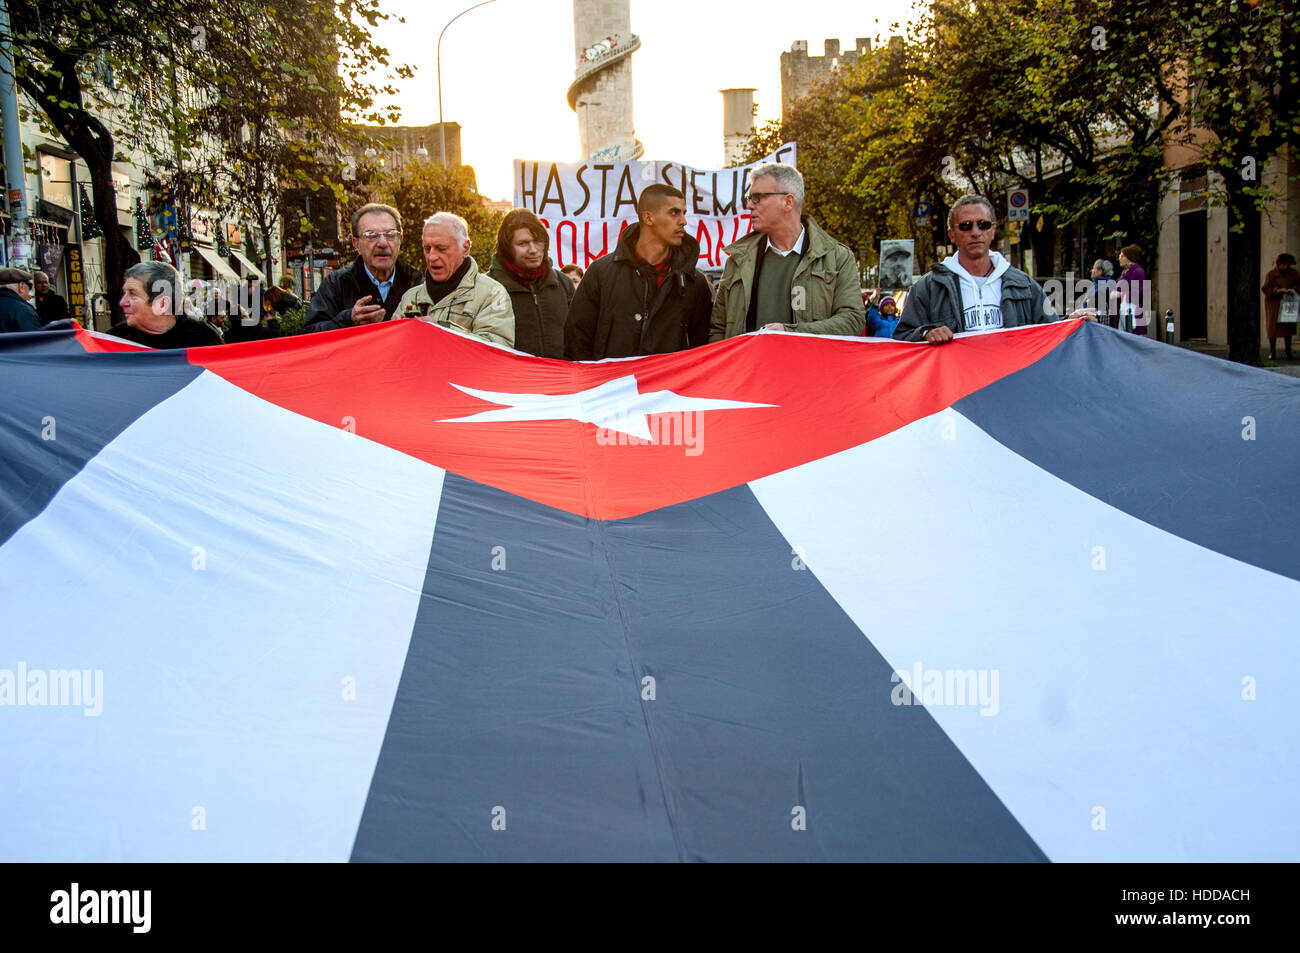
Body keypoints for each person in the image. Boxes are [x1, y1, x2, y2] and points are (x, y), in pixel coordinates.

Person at [710, 163, 864, 341]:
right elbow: (717, 330)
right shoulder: (737, 261)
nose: (749, 205)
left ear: (788, 202)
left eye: (757, 197)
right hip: (748, 369)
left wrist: (789, 332)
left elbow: (853, 321)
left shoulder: (837, 257)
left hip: (810, 368)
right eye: (750, 198)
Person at [564, 184, 712, 360]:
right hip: (610, 385)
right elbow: (576, 341)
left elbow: (701, 351)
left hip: (666, 386)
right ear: (648, 218)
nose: (683, 221)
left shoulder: (694, 282)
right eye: (674, 213)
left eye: (683, 213)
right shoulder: (601, 272)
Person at [894, 195, 1058, 344]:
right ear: (951, 234)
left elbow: (1052, 333)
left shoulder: (1024, 285)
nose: (975, 232)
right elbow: (902, 338)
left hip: (1011, 377)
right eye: (966, 226)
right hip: (957, 377)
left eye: (983, 225)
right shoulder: (928, 288)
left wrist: (1075, 323)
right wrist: (925, 333)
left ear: (993, 231)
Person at [393, 212, 514, 346]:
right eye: (427, 248)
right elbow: (393, 353)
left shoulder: (492, 294)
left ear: (466, 248)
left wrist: (442, 330)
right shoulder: (410, 297)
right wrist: (396, 331)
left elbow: (498, 350)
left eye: (441, 248)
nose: (432, 257)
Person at [303, 203, 420, 333]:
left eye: (390, 234)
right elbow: (309, 335)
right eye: (371, 235)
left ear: (400, 240)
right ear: (356, 244)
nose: (382, 243)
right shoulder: (337, 283)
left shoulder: (416, 283)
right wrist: (348, 319)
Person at [487, 209, 572, 358]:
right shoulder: (489, 288)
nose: (533, 250)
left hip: (561, 378)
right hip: (513, 378)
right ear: (507, 248)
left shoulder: (563, 284)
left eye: (538, 241)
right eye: (523, 244)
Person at [108, 261, 222, 349]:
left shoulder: (204, 340)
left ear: (162, 304)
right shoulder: (113, 342)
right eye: (125, 293)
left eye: (132, 294)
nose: (122, 303)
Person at [1262, 253, 1299, 360]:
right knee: (1273, 329)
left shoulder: (1294, 274)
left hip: (1288, 303)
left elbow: (1299, 285)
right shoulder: (1271, 274)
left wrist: (1294, 289)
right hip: (1275, 304)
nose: (1286, 267)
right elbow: (1265, 288)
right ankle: (1272, 351)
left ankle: (1288, 351)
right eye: (1284, 265)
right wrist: (1277, 291)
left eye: (1288, 265)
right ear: (1279, 264)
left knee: (1288, 328)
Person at [1112, 244, 1148, 335]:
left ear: (1129, 258)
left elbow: (1139, 292)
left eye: (1122, 256)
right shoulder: (1125, 272)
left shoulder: (1137, 272)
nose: (1119, 258)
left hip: (1133, 315)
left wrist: (1120, 295)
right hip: (1123, 313)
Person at [0, 267, 41, 333]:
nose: (28, 293)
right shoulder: (23, 310)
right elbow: (35, 341)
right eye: (29, 288)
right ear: (21, 286)